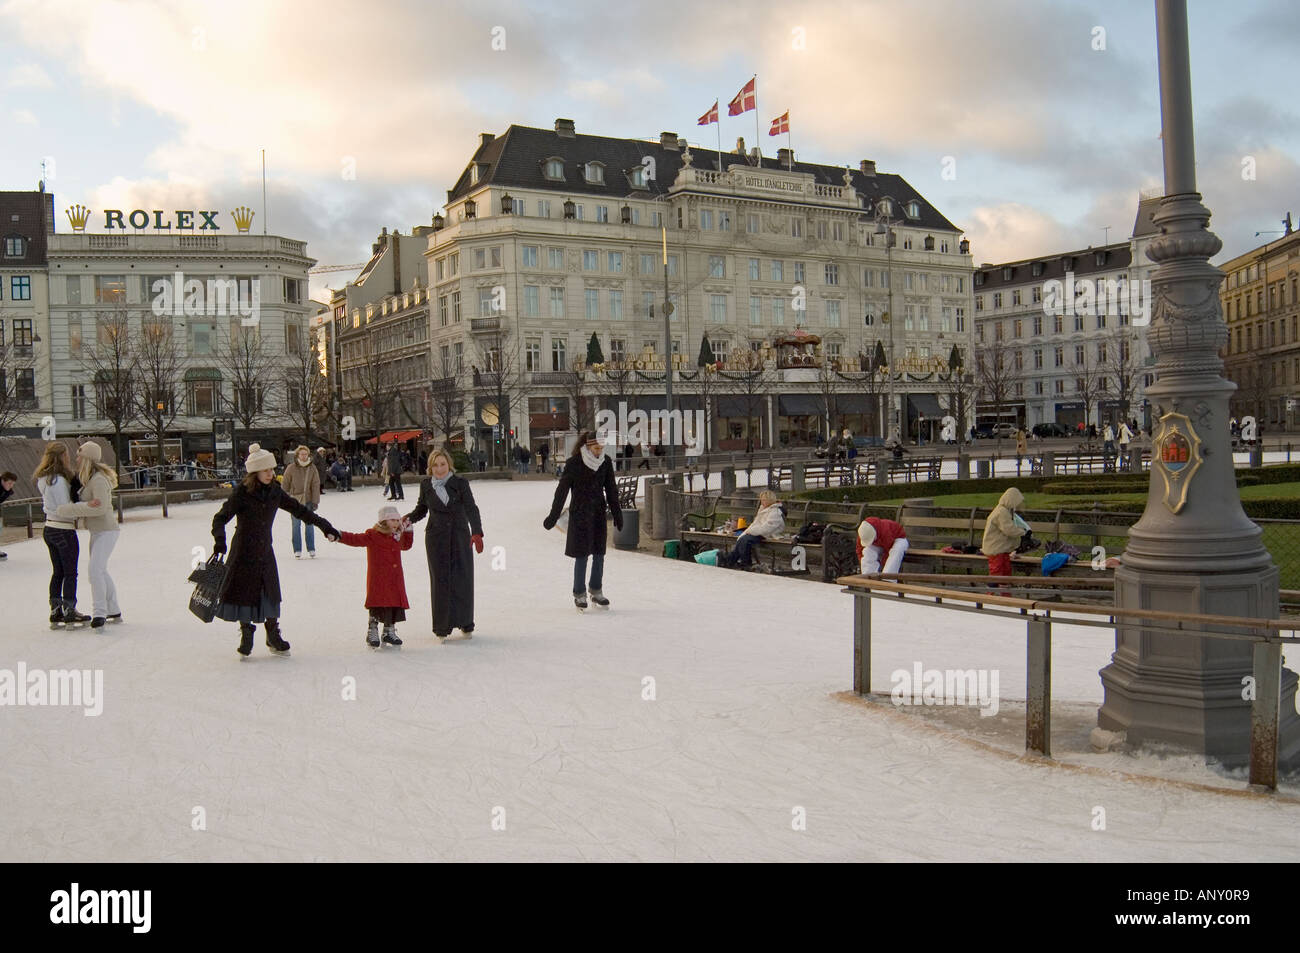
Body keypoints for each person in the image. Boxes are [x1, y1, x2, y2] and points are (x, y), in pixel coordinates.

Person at [211, 443, 339, 658]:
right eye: (266, 470)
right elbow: (220, 518)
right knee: (244, 592)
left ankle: (272, 633)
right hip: (243, 551)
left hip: (264, 550)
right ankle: (246, 632)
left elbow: (299, 510)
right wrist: (220, 541)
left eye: (272, 469)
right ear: (255, 472)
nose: (271, 474)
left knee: (269, 592)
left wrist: (325, 526)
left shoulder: (274, 492)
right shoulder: (242, 493)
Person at [406, 448, 483, 640]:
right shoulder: (426, 485)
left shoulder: (460, 483)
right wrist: (407, 519)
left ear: (449, 464)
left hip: (459, 536)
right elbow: (421, 509)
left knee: (462, 578)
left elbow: (471, 508)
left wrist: (477, 532)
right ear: (430, 467)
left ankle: (465, 622)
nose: (439, 469)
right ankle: (441, 626)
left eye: (443, 464)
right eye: (435, 465)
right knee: (440, 581)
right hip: (436, 538)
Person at [543, 432, 621, 609]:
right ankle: (579, 593)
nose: (598, 452)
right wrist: (553, 515)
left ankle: (596, 590)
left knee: (599, 554)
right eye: (595, 448)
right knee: (582, 555)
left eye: (601, 448)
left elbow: (611, 490)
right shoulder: (574, 464)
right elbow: (561, 491)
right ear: (586, 446)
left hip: (598, 513)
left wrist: (617, 513)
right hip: (580, 514)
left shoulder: (605, 462)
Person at [55, 441, 121, 628]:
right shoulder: (89, 478)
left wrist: (68, 509)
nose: (76, 459)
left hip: (107, 530)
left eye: (79, 456)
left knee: (94, 571)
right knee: (100, 570)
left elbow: (99, 508)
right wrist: (85, 506)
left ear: (87, 458)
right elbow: (91, 506)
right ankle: (113, 608)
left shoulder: (99, 479)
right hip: (97, 531)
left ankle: (99, 613)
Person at [338, 505, 414, 648]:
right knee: (377, 602)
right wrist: (339, 535)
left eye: (398, 520)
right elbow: (355, 539)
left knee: (393, 603)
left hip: (395, 578)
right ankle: (372, 629)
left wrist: (408, 531)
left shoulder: (397, 536)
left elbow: (406, 546)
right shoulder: (373, 535)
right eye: (393, 520)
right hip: (378, 577)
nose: (396, 523)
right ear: (384, 521)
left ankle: (389, 630)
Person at [31, 448, 90, 627]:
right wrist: (84, 506)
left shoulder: (43, 479)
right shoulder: (60, 480)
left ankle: (56, 609)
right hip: (63, 528)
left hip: (49, 528)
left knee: (58, 572)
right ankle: (70, 609)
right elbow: (65, 505)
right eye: (66, 455)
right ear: (62, 457)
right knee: (70, 572)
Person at [720, 491, 785, 569]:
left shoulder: (775, 511)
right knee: (742, 539)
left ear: (769, 500)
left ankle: (745, 563)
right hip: (759, 532)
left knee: (745, 540)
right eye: (762, 500)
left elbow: (768, 528)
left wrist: (751, 531)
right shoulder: (763, 509)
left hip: (770, 534)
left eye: (764, 500)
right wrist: (748, 531)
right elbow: (756, 523)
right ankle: (731, 561)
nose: (762, 502)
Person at [282, 445, 322, 558]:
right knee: (296, 525)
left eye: (305, 454)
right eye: (302, 454)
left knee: (309, 524)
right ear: (297, 455)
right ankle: (297, 549)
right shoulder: (291, 468)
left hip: (308, 500)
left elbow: (315, 485)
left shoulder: (312, 468)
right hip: (295, 500)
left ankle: (311, 548)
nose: (304, 456)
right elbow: (285, 483)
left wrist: (315, 501)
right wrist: (283, 498)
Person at [981, 487, 1025, 580]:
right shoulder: (1002, 512)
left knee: (1004, 574)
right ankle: (994, 593)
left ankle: (1003, 593)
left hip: (1000, 549)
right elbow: (1009, 530)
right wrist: (1023, 531)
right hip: (996, 549)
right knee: (998, 575)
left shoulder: (1002, 510)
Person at [0, 470, 14, 561]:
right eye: (9, 483)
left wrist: (7, 491)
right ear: (3, 481)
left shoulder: (5, 490)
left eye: (12, 484)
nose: (11, 485)